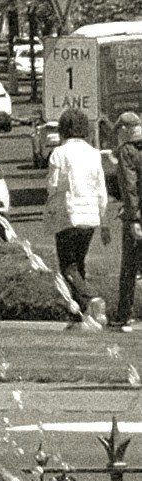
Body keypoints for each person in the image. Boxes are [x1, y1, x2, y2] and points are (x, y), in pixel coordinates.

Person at [45, 104, 109, 320]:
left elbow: (53, 186)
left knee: (68, 267)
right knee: (79, 264)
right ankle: (82, 314)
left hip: (68, 214)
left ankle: (91, 299)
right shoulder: (93, 153)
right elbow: (101, 188)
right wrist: (104, 220)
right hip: (90, 216)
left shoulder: (59, 153)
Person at [115, 111, 142, 328]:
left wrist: (133, 218)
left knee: (130, 266)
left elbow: (129, 187)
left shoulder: (127, 151)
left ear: (125, 130)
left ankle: (125, 314)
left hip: (137, 217)